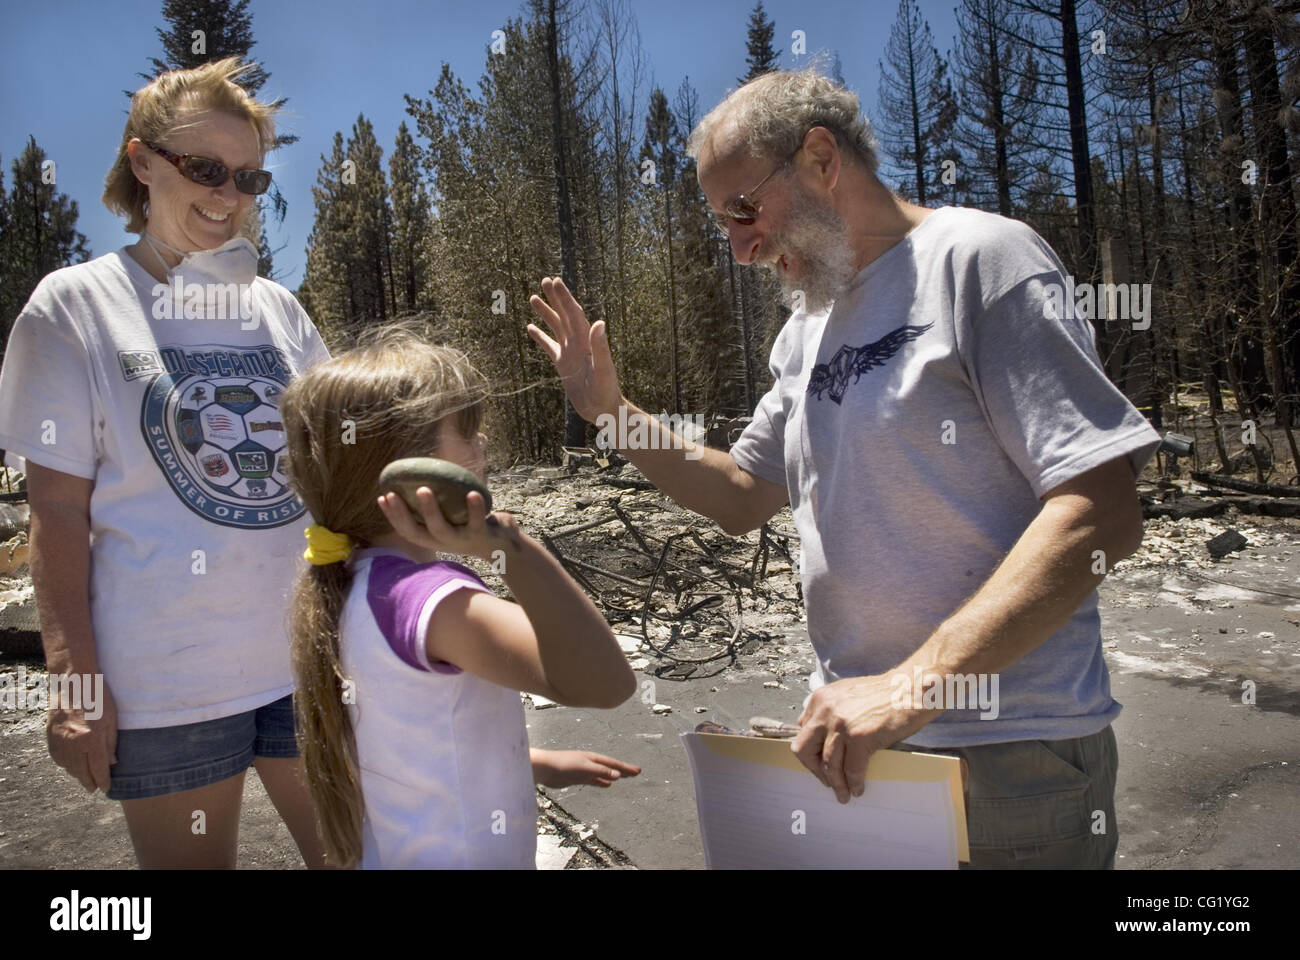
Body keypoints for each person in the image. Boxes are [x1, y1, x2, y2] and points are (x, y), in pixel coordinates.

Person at [527, 67, 1161, 869]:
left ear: (822, 158)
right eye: (722, 221)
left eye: (745, 209)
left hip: (1008, 758)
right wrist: (610, 415)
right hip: (856, 753)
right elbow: (740, 493)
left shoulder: (978, 259)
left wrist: (910, 688)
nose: (739, 246)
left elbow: (1101, 509)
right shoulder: (810, 325)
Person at [0, 58, 333, 868]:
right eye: (205, 169)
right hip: (164, 687)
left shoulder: (277, 309)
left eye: (248, 176)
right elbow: (57, 513)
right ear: (142, 160)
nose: (228, 195)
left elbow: (331, 479)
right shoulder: (74, 306)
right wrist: (73, 682)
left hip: (304, 664)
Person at [278, 328, 638, 869]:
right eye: (467, 433)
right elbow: (608, 684)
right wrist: (512, 549)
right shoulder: (437, 601)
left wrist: (532, 763)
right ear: (412, 476)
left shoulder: (350, 581)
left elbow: (405, 741)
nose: (483, 445)